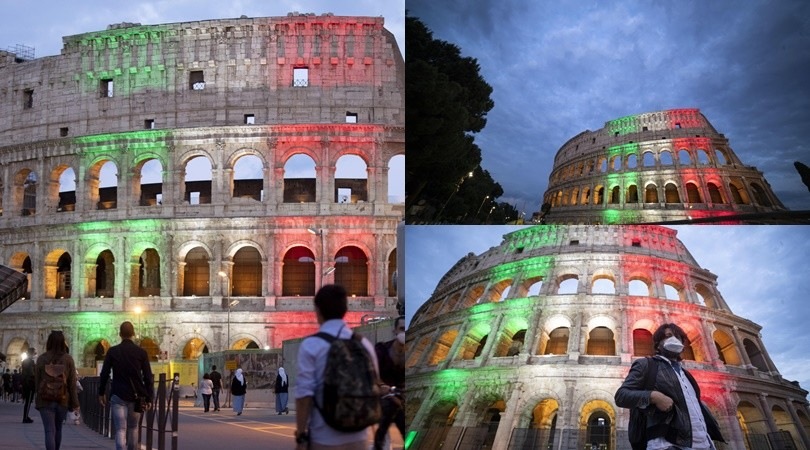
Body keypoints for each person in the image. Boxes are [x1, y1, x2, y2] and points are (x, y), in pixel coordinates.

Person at [295, 284, 380, 450]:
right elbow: (374, 384)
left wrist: (300, 435)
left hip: (325, 437)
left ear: (317, 310)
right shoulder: (364, 344)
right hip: (360, 436)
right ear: (345, 310)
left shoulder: (311, 345)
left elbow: (304, 396)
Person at [615, 323, 725, 449]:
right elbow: (621, 396)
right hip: (667, 445)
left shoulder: (687, 375)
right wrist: (654, 396)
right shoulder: (646, 364)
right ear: (658, 343)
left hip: (704, 444)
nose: (674, 339)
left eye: (678, 337)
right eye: (668, 336)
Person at [98, 321, 154, 450]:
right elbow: (147, 376)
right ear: (133, 334)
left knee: (120, 429)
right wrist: (149, 397)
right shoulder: (141, 352)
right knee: (133, 428)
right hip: (136, 397)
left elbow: (104, 374)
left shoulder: (113, 351)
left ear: (120, 334)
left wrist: (101, 393)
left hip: (118, 394)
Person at [34, 330, 80, 450]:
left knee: (49, 430)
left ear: (49, 342)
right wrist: (75, 403)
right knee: (58, 428)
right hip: (62, 398)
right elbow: (72, 384)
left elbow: (37, 381)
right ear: (63, 343)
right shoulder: (68, 359)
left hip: (45, 399)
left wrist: (37, 396)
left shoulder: (41, 359)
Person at [373, 317, 406, 450]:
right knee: (388, 410)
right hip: (384, 394)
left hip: (399, 395)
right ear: (395, 331)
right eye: (402, 329)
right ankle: (378, 444)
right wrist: (381, 385)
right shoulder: (382, 349)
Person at [21, 348, 37, 423]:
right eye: (34, 353)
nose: (35, 354)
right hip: (29, 383)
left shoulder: (25, 361)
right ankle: (25, 417)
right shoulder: (30, 362)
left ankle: (26, 416)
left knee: (28, 401)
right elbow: (31, 373)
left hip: (26, 383)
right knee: (28, 401)